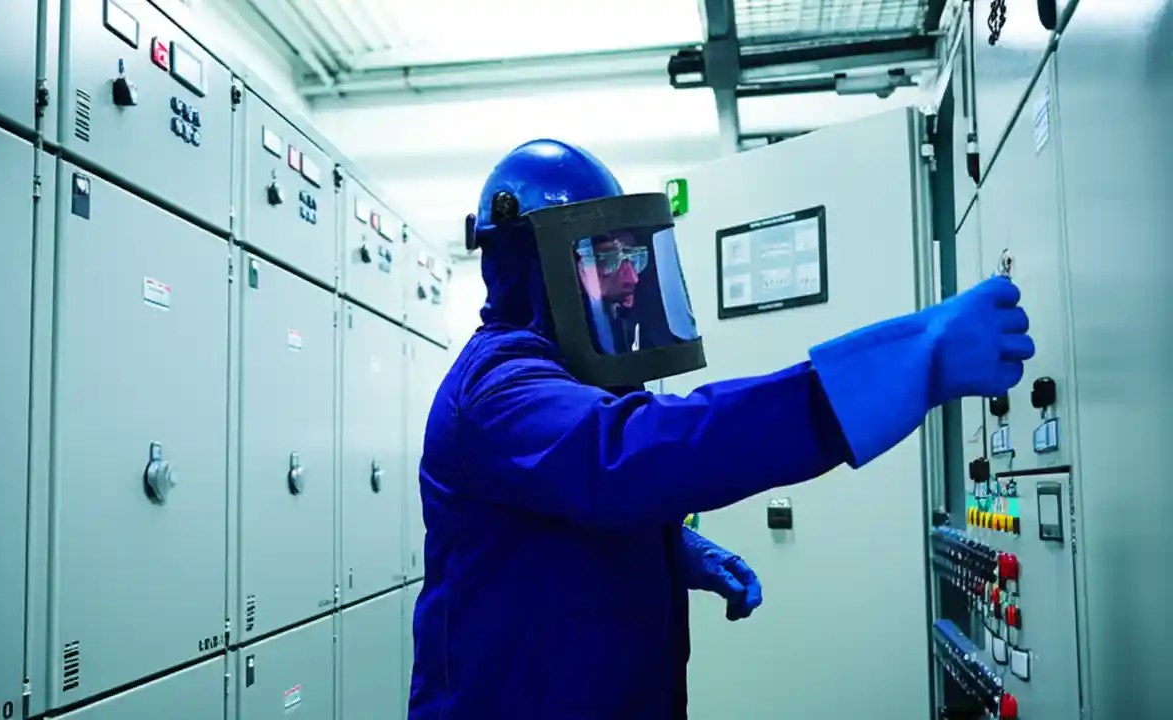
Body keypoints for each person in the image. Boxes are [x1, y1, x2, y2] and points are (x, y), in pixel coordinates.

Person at [407, 139, 1033, 719]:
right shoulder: (498, 388)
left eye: (631, 255)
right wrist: (906, 362)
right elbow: (625, 456)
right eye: (605, 256)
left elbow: (548, 520)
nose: (631, 278)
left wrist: (671, 549)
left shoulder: (562, 379)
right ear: (532, 264)